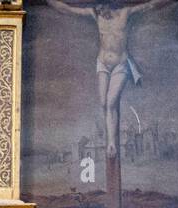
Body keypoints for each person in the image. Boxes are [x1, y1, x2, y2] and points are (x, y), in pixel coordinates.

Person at [45, 0, 168, 158]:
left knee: (111, 103)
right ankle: (109, 141)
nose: (99, 10)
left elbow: (151, 5)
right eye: (97, 7)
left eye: (101, 7)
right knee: (104, 103)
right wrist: (49, 1)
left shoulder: (126, 13)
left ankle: (111, 143)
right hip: (102, 63)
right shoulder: (95, 14)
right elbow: (68, 9)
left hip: (121, 64)